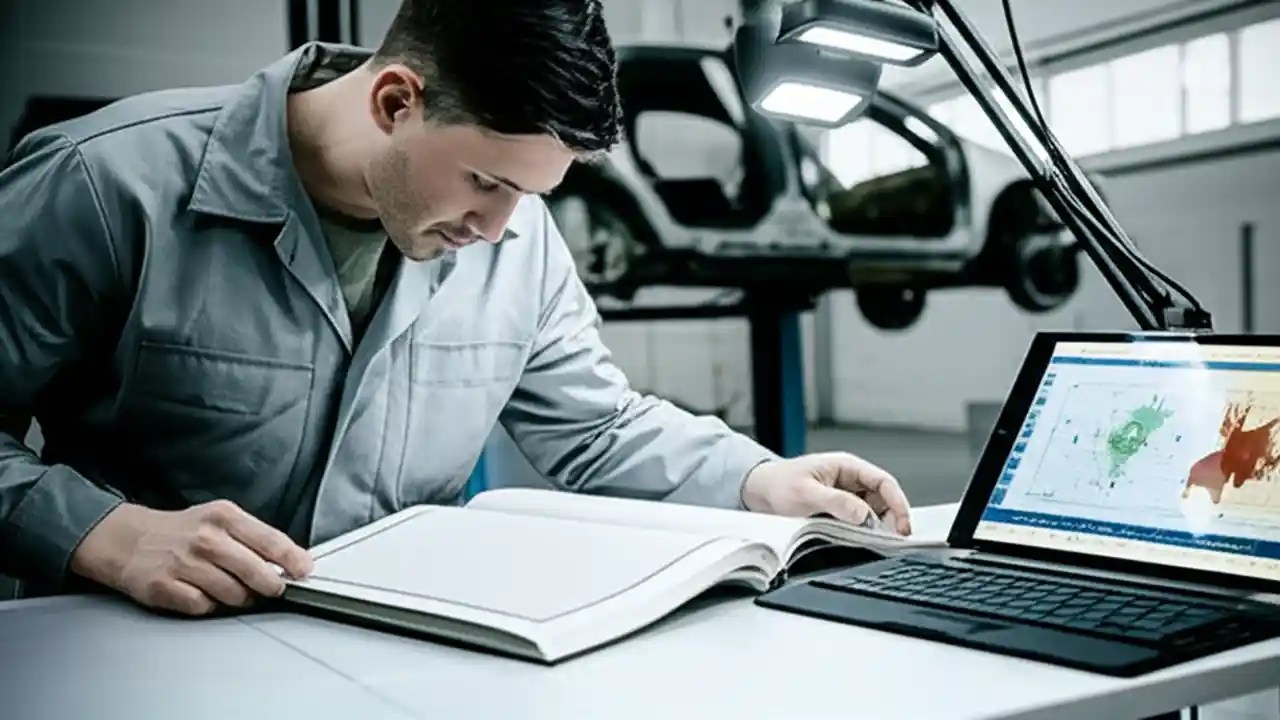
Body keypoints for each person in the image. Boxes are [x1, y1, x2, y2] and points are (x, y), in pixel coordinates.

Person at [0, 0, 912, 617]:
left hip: (401, 655)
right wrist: (99, 533)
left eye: (530, 194)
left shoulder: (516, 233)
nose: (499, 227)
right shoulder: (105, 183)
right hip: (134, 653)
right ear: (397, 99)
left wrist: (761, 482)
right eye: (485, 181)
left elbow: (596, 429)